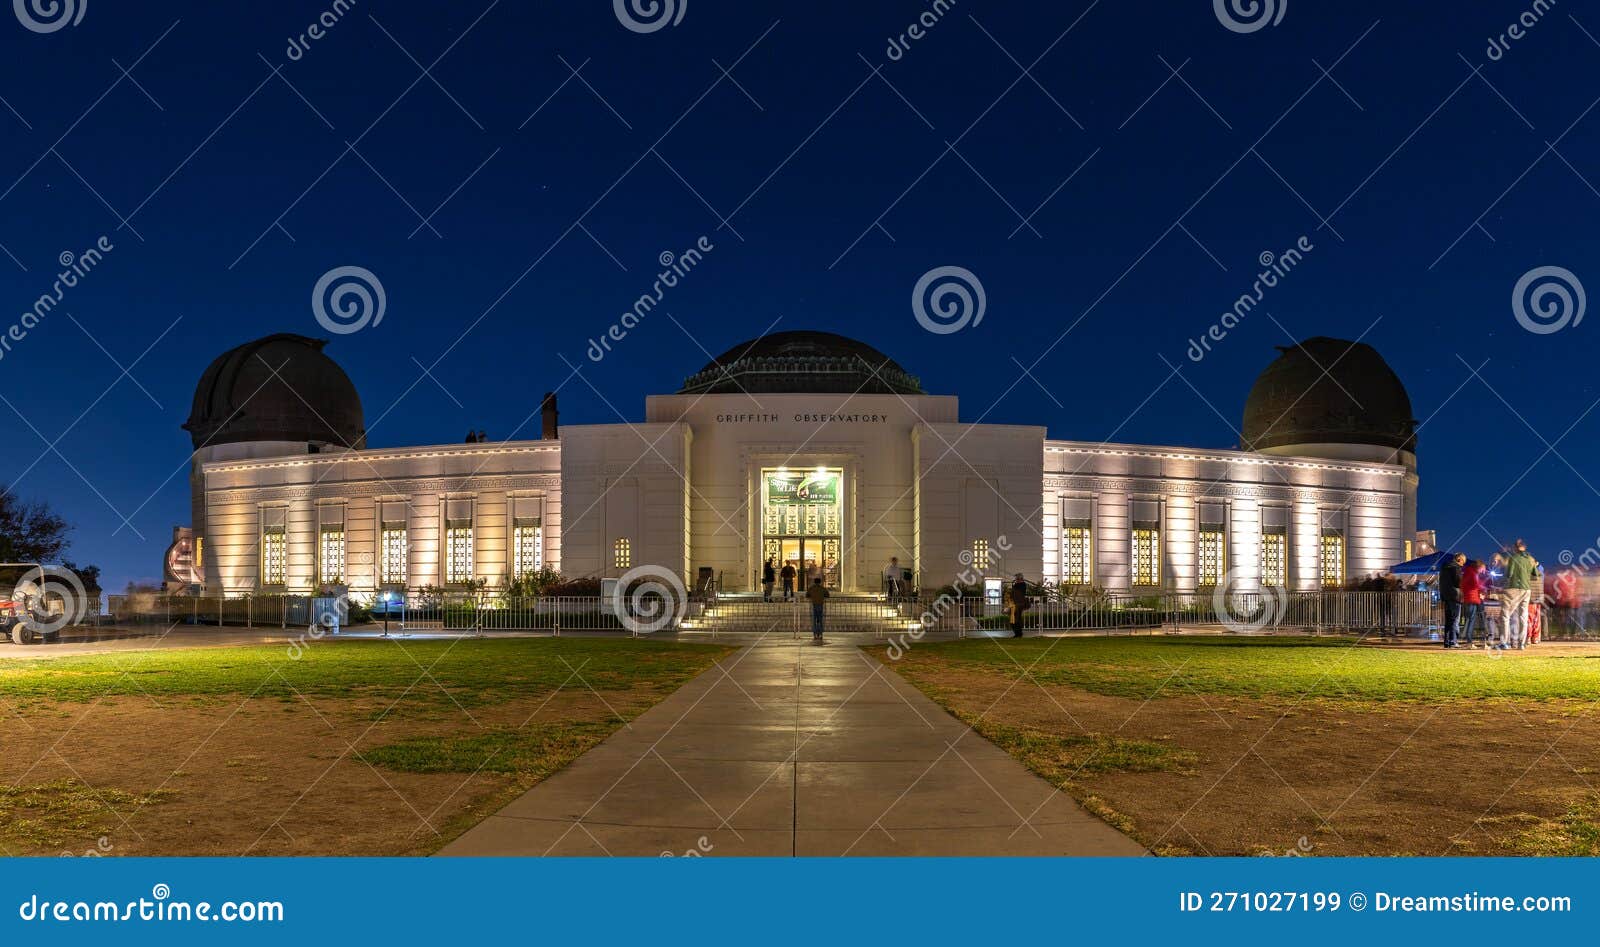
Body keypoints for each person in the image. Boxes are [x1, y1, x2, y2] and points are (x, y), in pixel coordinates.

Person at [1500, 540, 1539, 651]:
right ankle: (1521, 644)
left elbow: (1509, 574)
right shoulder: (1530, 559)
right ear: (1524, 548)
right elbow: (1536, 575)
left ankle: (1505, 643)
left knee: (1505, 615)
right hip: (1526, 589)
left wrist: (1502, 581)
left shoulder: (1513, 558)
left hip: (1513, 588)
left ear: (1515, 548)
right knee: (1523, 616)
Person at [1458, 558, 1486, 649]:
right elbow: (1476, 584)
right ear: (1479, 567)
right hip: (1472, 599)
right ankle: (1470, 642)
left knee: (1470, 620)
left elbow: (1464, 585)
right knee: (1472, 621)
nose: (1483, 571)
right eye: (1482, 569)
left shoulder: (1468, 572)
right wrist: (1484, 588)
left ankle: (1469, 641)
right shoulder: (1473, 573)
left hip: (1469, 598)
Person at [1439, 553, 1463, 648]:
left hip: (1446, 596)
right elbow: (1458, 582)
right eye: (1463, 562)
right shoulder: (1456, 567)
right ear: (1459, 559)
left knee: (1448, 620)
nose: (1462, 565)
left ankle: (1447, 641)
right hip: (1455, 596)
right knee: (1455, 619)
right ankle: (1453, 641)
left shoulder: (1444, 568)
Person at [806, 576, 829, 642]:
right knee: (820, 620)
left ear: (814, 582)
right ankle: (820, 634)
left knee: (814, 620)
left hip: (813, 605)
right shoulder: (822, 588)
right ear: (820, 582)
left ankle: (815, 634)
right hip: (820, 605)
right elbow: (827, 595)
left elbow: (807, 595)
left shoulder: (811, 588)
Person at [1008, 573, 1031, 638]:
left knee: (1016, 618)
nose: (1015, 579)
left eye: (1016, 578)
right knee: (1015, 618)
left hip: (1018, 604)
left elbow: (1018, 592)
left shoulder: (1022, 584)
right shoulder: (1017, 584)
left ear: (1019, 578)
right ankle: (1017, 633)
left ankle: (1018, 633)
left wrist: (1014, 584)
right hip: (1015, 603)